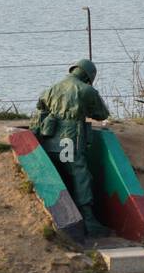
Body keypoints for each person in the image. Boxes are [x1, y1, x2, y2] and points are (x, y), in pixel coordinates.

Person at [30, 58, 111, 238]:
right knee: (81, 177)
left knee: (58, 176)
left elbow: (39, 108)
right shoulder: (86, 90)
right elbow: (102, 114)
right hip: (71, 139)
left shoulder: (52, 88)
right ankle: (89, 221)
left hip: (49, 140)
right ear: (88, 76)